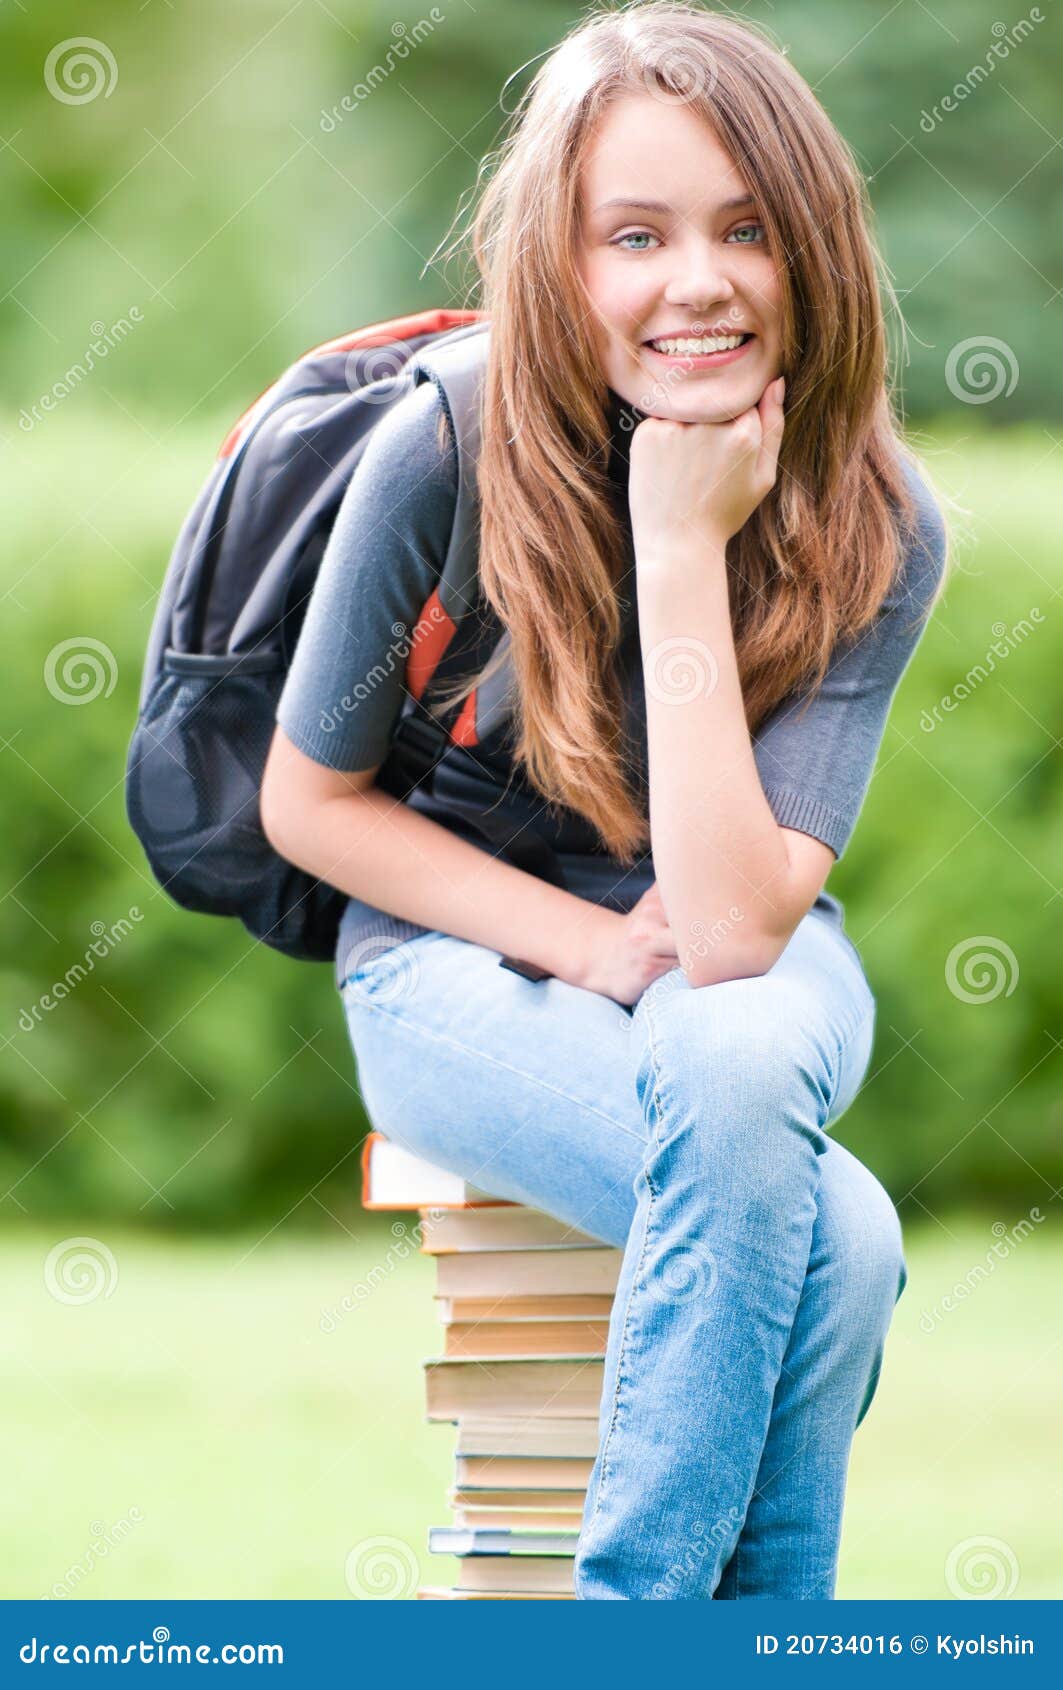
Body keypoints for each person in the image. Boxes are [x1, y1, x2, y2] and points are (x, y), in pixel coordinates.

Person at [260, 0, 950, 1599]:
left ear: (818, 252)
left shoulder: (880, 521)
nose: (695, 280)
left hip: (740, 938)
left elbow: (723, 936)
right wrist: (581, 943)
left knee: (745, 1042)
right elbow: (311, 804)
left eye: (747, 229)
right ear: (560, 268)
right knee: (837, 1247)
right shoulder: (448, 441)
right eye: (633, 234)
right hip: (453, 958)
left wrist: (685, 549)